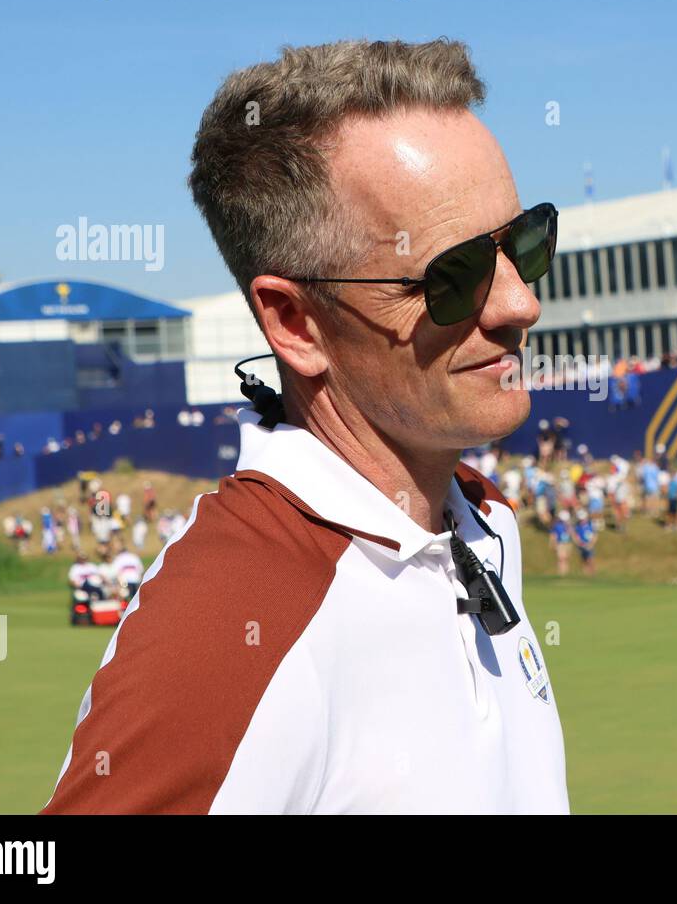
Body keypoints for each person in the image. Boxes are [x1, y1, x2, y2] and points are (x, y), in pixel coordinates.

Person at [44, 40, 568, 814]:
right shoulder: (228, 618)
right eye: (454, 277)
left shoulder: (482, 518)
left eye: (524, 244)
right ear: (294, 324)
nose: (521, 303)